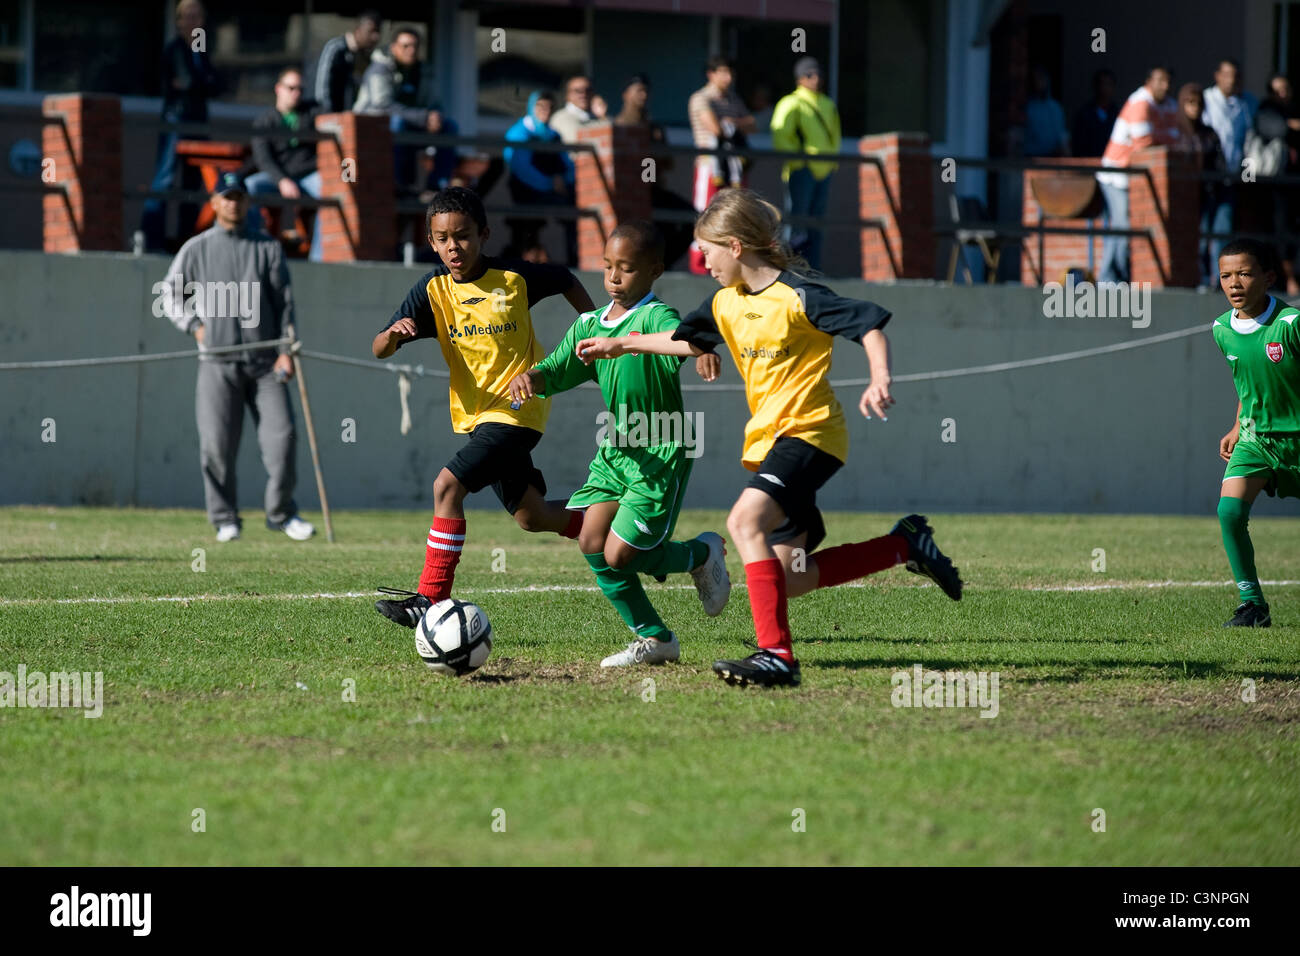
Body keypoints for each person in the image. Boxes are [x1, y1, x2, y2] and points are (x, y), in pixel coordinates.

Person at [576, 190, 962, 688]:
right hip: (768, 447)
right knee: (789, 576)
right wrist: (619, 343)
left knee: (744, 521)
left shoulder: (796, 296)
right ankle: (903, 546)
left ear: (735, 247)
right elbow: (686, 341)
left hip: (811, 433)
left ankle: (776, 656)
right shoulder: (723, 303)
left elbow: (869, 324)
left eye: (707, 250)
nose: (703, 261)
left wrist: (879, 377)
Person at [369, 187, 597, 627]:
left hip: (519, 410)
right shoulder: (432, 290)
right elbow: (379, 347)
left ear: (484, 235)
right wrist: (394, 336)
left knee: (446, 487)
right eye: (443, 238)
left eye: (464, 236)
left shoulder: (514, 278)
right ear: (431, 241)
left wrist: (595, 331)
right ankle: (619, 527)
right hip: (477, 418)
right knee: (534, 516)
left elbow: (566, 278)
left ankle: (429, 601)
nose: (454, 246)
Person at [507, 222, 731, 667]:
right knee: (592, 541)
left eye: (626, 269)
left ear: (653, 271)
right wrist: (533, 376)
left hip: (661, 450)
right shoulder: (588, 324)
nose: (613, 277)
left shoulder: (654, 316)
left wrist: (699, 348)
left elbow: (683, 337)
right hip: (616, 451)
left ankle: (701, 554)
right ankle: (656, 639)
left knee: (621, 554)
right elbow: (558, 368)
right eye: (608, 266)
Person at [160, 172, 314, 543]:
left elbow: (285, 305)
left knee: (284, 437)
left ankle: (280, 513)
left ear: (247, 203)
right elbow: (169, 294)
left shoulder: (267, 248)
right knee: (216, 444)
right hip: (216, 362)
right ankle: (224, 517)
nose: (233, 203)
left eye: (239, 197)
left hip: (265, 363)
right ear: (214, 203)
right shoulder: (196, 248)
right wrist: (193, 325)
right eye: (226, 197)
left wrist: (285, 351)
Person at [1212, 237, 1300, 628]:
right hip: (1256, 439)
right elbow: (1246, 383)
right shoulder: (1220, 330)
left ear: (1267, 278)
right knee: (1229, 511)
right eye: (1226, 275)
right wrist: (1236, 424)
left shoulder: (1291, 325)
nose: (1234, 283)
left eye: (1244, 274)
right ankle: (1252, 606)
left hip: (1296, 439)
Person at [141, 0, 221, 252]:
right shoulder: (174, 49)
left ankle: (186, 242)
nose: (193, 22)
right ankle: (152, 240)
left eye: (197, 16)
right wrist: (197, 82)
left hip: (197, 122)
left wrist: (197, 82)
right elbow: (186, 82)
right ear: (178, 21)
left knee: (192, 183)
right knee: (164, 179)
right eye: (187, 16)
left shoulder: (200, 48)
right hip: (176, 120)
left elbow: (213, 84)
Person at [1097, 66, 1181, 283]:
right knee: (1122, 226)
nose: (1165, 85)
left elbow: (1175, 139)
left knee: (1121, 227)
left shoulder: (1170, 105)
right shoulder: (1139, 102)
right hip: (1115, 174)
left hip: (1134, 178)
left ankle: (1111, 277)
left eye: (1168, 81)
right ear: (1148, 82)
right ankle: (1109, 279)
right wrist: (1161, 140)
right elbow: (1144, 142)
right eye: (1160, 80)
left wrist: (1159, 139)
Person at [613, 74, 694, 267]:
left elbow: (666, 163)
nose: (643, 95)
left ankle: (664, 264)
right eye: (639, 90)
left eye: (646, 91)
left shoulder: (653, 127)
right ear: (626, 94)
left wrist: (655, 146)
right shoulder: (619, 126)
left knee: (692, 218)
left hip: (653, 190)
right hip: (629, 193)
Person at [770, 56, 841, 271]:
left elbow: (835, 135)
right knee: (796, 221)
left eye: (818, 74)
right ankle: (791, 268)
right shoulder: (791, 102)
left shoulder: (827, 104)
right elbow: (780, 134)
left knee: (816, 224)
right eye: (810, 74)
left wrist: (831, 161)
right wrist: (798, 161)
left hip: (824, 169)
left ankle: (813, 269)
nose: (816, 79)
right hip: (802, 170)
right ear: (800, 78)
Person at [687, 55, 756, 274]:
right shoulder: (700, 98)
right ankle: (700, 266)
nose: (728, 77)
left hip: (734, 169)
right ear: (711, 74)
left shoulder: (733, 100)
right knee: (705, 214)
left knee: (734, 215)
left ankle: (727, 266)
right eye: (723, 72)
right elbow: (715, 128)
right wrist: (734, 125)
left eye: (730, 73)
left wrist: (732, 123)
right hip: (711, 167)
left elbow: (752, 124)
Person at [246, 68, 322, 260]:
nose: (296, 93)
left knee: (329, 194)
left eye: (300, 90)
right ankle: (253, 250)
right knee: (249, 187)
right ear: (278, 89)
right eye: (291, 88)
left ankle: (319, 257)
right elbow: (263, 158)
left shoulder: (312, 114)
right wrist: (282, 181)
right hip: (278, 178)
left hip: (308, 176)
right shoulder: (265, 121)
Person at [503, 91, 574, 262]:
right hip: (527, 193)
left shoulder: (553, 135)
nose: (546, 110)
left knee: (578, 211)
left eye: (550, 106)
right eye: (540, 106)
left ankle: (575, 258)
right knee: (528, 231)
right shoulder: (519, 133)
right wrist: (551, 183)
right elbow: (523, 169)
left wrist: (564, 180)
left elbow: (568, 165)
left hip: (552, 192)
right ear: (531, 107)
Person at [1202, 59, 1259, 274]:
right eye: (1226, 75)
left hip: (1232, 177)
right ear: (1217, 76)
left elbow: (1249, 142)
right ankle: (1202, 276)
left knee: (1223, 227)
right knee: (1203, 227)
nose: (1231, 80)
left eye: (1235, 76)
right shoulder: (1207, 99)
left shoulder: (1245, 104)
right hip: (1208, 176)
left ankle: (1218, 279)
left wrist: (1248, 175)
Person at [1176, 83, 1229, 287]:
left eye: (1198, 103)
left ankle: (1214, 281)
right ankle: (1198, 279)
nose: (1194, 107)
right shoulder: (1175, 133)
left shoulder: (1209, 133)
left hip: (1208, 194)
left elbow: (1219, 163)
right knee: (1195, 241)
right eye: (1189, 103)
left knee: (1212, 238)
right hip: (1186, 198)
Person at [313, 10, 383, 114]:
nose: (375, 37)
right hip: (330, 118)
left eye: (378, 32)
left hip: (350, 118)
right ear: (358, 29)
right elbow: (322, 86)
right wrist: (327, 113)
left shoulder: (367, 55)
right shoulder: (336, 48)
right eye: (371, 31)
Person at [1072, 69, 1119, 159]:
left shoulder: (1118, 114)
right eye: (1101, 84)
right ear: (1095, 86)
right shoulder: (1084, 113)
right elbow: (1078, 145)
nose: (1104, 88)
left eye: (1108, 84)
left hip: (1112, 164)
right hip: (1089, 164)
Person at [1024, 65, 1069, 157]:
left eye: (1041, 78)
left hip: (1054, 160)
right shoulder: (1027, 108)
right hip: (1033, 159)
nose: (1039, 82)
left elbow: (1061, 135)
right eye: (1036, 79)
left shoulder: (1055, 107)